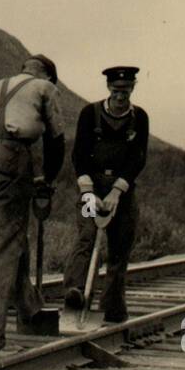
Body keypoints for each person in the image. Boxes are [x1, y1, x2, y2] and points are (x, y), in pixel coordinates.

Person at [0, 54, 66, 350]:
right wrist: (48, 177)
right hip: (11, 156)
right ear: (48, 75)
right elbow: (55, 139)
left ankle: (29, 307)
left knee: (8, 234)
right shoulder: (45, 88)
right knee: (1, 243)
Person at [62, 66, 150, 323]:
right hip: (91, 186)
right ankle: (74, 294)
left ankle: (112, 309)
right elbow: (79, 153)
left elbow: (138, 158)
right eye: (116, 91)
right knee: (87, 237)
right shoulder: (90, 113)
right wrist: (88, 191)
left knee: (120, 246)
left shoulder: (140, 117)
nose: (120, 96)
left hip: (122, 189)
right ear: (108, 89)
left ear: (133, 88)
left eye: (125, 90)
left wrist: (116, 191)